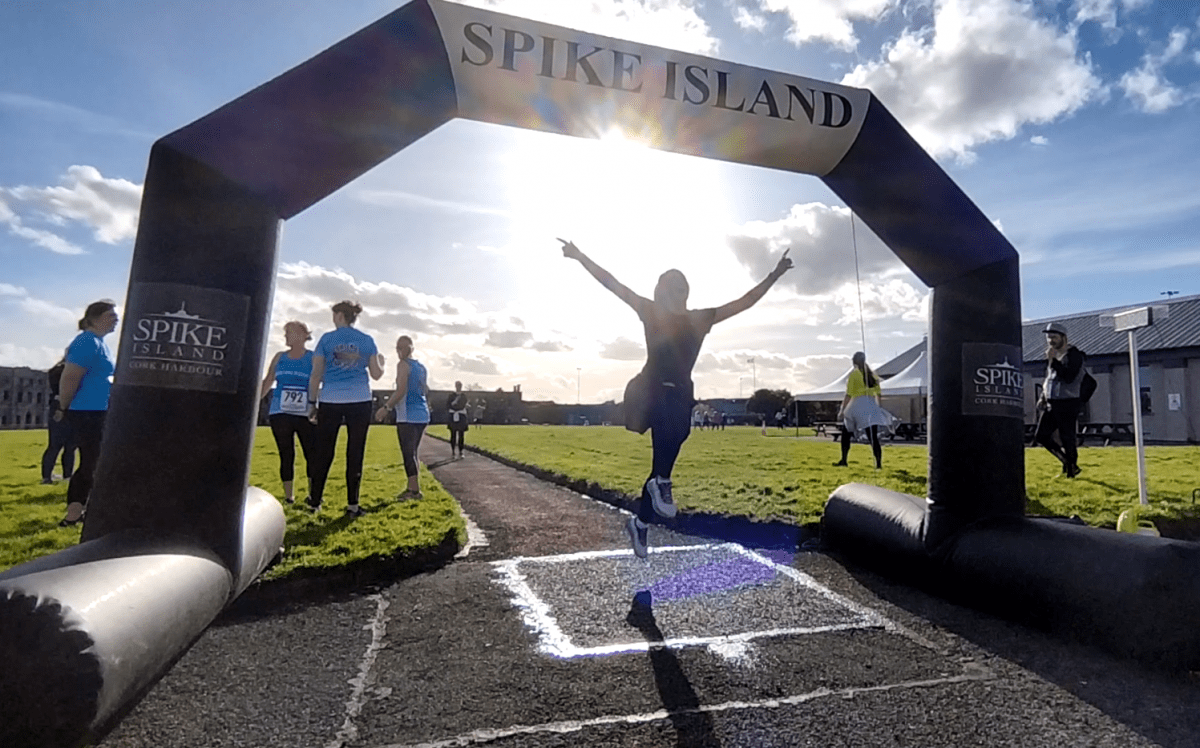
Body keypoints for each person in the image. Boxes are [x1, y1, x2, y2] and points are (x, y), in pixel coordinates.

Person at [560, 238, 793, 558]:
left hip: (682, 394)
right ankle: (661, 484)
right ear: (663, 291)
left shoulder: (700, 318)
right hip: (650, 391)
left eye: (683, 287)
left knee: (663, 464)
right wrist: (579, 255)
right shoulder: (650, 311)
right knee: (665, 457)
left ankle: (641, 523)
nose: (679, 292)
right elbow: (612, 283)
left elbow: (745, 302)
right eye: (673, 287)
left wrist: (774, 275)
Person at [307, 301, 384, 517]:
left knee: (324, 452)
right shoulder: (367, 340)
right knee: (355, 452)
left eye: (334, 315)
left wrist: (312, 403)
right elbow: (377, 374)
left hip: (331, 399)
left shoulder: (326, 339)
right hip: (360, 399)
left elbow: (316, 375)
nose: (332, 319)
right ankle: (353, 505)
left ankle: (315, 502)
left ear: (340, 315)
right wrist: (382, 362)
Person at [55, 300, 118, 526]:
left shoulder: (101, 344)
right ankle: (73, 515)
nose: (116, 320)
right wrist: (63, 407)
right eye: (111, 315)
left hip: (100, 410)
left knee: (95, 462)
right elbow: (70, 377)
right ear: (94, 318)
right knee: (91, 462)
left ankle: (83, 511)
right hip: (87, 411)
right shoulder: (86, 342)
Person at [259, 321, 317, 504]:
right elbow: (268, 381)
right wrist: (253, 403)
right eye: (285, 333)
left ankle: (313, 495)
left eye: (289, 333)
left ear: (302, 335)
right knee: (286, 454)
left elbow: (319, 381)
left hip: (305, 413)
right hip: (280, 412)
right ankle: (289, 496)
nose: (285, 336)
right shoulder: (279, 357)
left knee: (311, 454)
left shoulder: (313, 358)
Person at [375, 335, 429, 499]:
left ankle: (414, 490)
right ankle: (413, 486)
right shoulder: (421, 367)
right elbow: (425, 389)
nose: (399, 351)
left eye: (401, 348)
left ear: (409, 348)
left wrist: (386, 408)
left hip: (408, 414)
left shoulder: (403, 365)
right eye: (397, 348)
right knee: (413, 453)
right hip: (422, 413)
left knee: (408, 453)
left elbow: (400, 391)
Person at [1035, 321, 1085, 478]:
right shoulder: (1053, 356)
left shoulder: (1074, 355)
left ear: (1063, 337)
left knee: (1067, 437)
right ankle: (1068, 463)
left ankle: (1070, 472)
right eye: (1049, 338)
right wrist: (1043, 396)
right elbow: (1050, 379)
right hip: (1052, 402)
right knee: (1041, 436)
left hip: (1068, 402)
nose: (1051, 341)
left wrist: (1053, 361)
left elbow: (1069, 377)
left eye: (1054, 337)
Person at [833, 351, 890, 470]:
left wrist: (842, 410)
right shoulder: (873, 375)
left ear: (854, 362)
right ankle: (878, 464)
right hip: (871, 405)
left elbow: (849, 394)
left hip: (857, 404)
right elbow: (878, 394)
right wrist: (878, 408)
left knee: (846, 433)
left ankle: (844, 460)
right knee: (873, 437)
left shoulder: (854, 374)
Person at [40, 351, 77, 484]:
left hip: (59, 405)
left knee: (57, 445)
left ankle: (48, 477)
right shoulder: (69, 371)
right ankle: (66, 476)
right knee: (68, 446)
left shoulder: (55, 370)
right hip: (68, 406)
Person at [446, 380, 469, 460]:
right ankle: (453, 451)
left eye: (460, 386)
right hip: (453, 416)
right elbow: (448, 405)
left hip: (461, 416)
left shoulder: (463, 396)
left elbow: (463, 405)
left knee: (461, 435)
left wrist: (456, 407)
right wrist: (454, 407)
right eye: (457, 386)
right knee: (453, 434)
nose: (458, 387)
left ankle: (461, 451)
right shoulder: (451, 395)